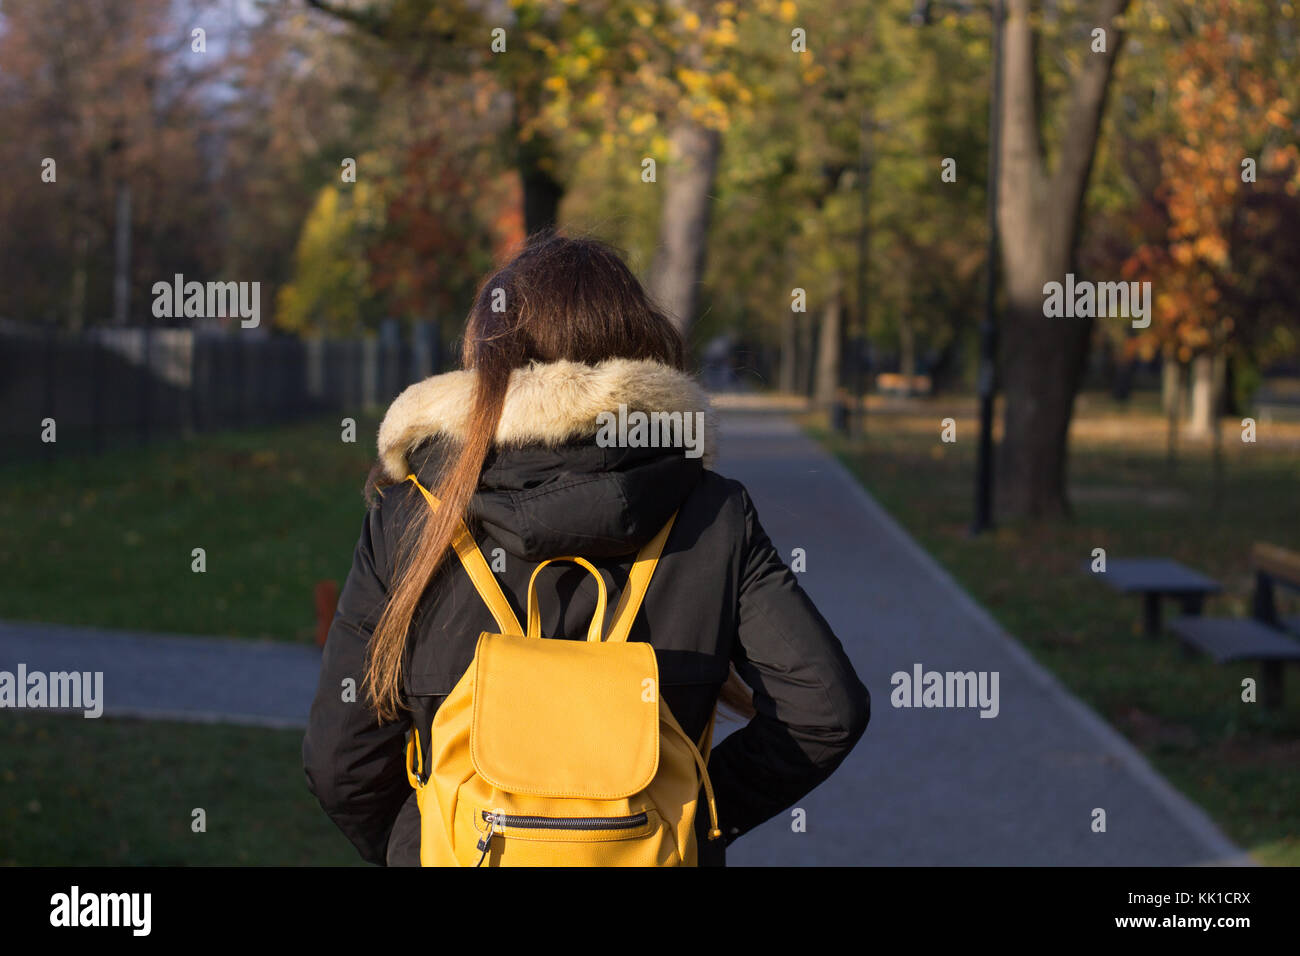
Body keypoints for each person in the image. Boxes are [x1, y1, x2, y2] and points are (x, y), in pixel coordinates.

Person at [302, 232, 870, 866]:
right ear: (645, 348)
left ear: (486, 354)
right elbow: (826, 709)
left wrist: (421, 845)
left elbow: (339, 759)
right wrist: (694, 819)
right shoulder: (711, 513)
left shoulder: (414, 515)